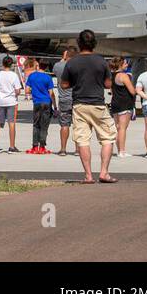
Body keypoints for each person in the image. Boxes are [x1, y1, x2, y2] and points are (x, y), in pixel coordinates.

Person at [61, 30, 116, 183]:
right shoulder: (101, 61)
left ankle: (88, 175)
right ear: (94, 43)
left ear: (79, 43)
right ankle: (104, 172)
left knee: (82, 140)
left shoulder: (72, 62)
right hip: (97, 104)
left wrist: (76, 82)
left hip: (79, 105)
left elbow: (64, 84)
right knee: (107, 137)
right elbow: (108, 84)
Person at [0, 56, 23, 154]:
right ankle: (12, 146)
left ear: (2, 64)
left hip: (0, 101)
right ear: (11, 64)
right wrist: (14, 94)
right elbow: (18, 90)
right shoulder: (14, 75)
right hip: (11, 101)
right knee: (11, 123)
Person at [51, 46, 78, 155]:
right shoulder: (78, 65)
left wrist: (63, 58)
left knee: (64, 125)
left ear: (66, 55)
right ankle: (77, 150)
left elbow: (55, 69)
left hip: (64, 99)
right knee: (78, 125)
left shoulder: (58, 66)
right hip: (77, 98)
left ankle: (63, 149)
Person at [108, 57, 137, 155]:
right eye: (125, 63)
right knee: (123, 128)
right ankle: (122, 151)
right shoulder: (123, 76)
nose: (127, 65)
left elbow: (112, 91)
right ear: (120, 65)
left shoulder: (111, 76)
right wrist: (138, 90)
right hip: (125, 103)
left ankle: (119, 150)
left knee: (118, 128)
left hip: (115, 102)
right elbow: (132, 91)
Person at [25, 59, 55, 153]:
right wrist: (55, 105)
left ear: (38, 65)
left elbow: (27, 91)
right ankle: (42, 147)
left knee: (36, 124)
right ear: (46, 67)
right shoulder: (48, 77)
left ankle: (34, 146)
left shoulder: (32, 76)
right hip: (46, 102)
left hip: (37, 102)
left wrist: (34, 91)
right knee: (44, 125)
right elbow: (51, 93)